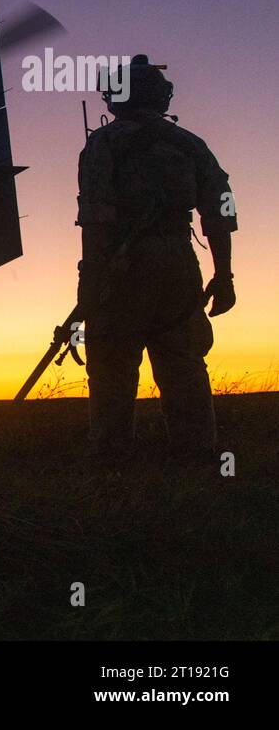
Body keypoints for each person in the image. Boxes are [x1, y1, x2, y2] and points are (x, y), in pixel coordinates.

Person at [76, 55, 236, 463]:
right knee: (183, 361)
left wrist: (91, 286)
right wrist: (223, 275)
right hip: (180, 263)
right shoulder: (190, 145)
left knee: (112, 362)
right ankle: (197, 456)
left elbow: (96, 220)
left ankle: (111, 461)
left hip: (122, 268)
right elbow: (220, 209)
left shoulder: (104, 144)